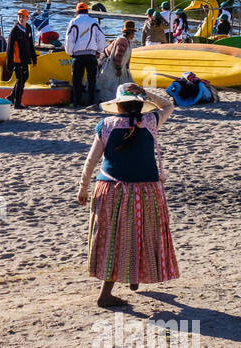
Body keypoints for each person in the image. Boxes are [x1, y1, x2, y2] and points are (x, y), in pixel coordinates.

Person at [76, 83, 179, 307]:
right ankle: (123, 283)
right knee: (141, 234)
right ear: (140, 105)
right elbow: (168, 105)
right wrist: (145, 92)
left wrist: (83, 188)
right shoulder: (151, 121)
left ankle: (114, 287)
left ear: (119, 105)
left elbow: (91, 161)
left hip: (112, 189)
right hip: (146, 190)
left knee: (113, 239)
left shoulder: (106, 125)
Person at [65, 1, 106, 107]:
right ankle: (91, 102)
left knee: (77, 81)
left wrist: (69, 52)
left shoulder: (73, 22)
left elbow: (69, 40)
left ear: (77, 11)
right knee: (92, 81)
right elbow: (101, 38)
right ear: (87, 11)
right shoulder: (93, 22)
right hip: (91, 56)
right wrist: (99, 51)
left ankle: (77, 102)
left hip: (77, 56)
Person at [4, 9, 37, 109]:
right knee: (20, 79)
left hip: (25, 59)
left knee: (25, 77)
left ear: (27, 18)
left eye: (23, 17)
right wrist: (9, 63)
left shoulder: (28, 28)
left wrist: (33, 56)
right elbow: (9, 48)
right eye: (19, 17)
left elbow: (31, 44)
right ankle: (17, 103)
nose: (21, 19)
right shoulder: (14, 30)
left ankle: (11, 96)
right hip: (17, 60)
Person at [96, 20, 136, 102]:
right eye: (133, 33)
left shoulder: (128, 41)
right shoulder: (122, 41)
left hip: (121, 67)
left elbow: (126, 58)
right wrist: (118, 69)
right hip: (112, 66)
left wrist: (126, 68)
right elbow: (117, 56)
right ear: (130, 33)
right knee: (110, 87)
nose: (134, 35)